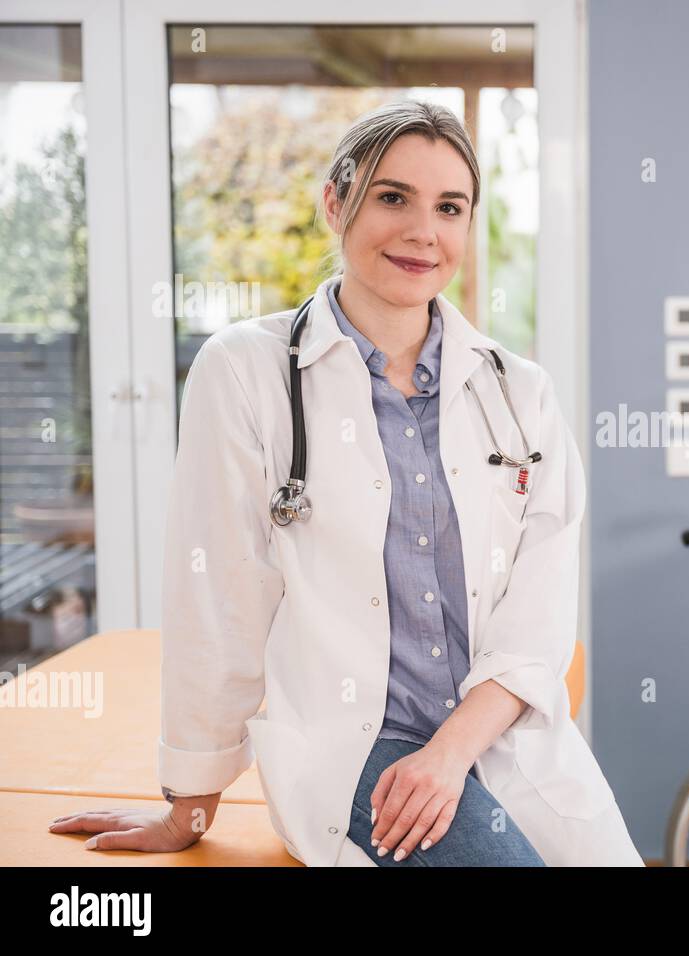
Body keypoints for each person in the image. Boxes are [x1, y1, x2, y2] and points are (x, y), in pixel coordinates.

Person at [48, 100, 643, 867]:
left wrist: (452, 752)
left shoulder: (519, 393)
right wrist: (190, 802)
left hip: (495, 738)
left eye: (449, 207)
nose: (423, 231)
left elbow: (538, 617)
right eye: (393, 197)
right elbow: (220, 597)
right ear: (337, 202)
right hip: (358, 746)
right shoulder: (247, 373)